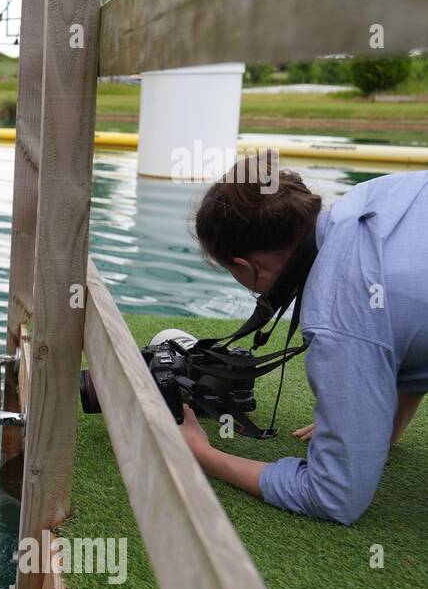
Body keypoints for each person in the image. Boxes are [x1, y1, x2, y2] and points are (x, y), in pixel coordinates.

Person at [178, 154, 427, 524]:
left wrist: (202, 454)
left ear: (249, 268)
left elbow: (335, 497)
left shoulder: (338, 314)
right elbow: (409, 312)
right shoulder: (370, 197)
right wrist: (375, 422)